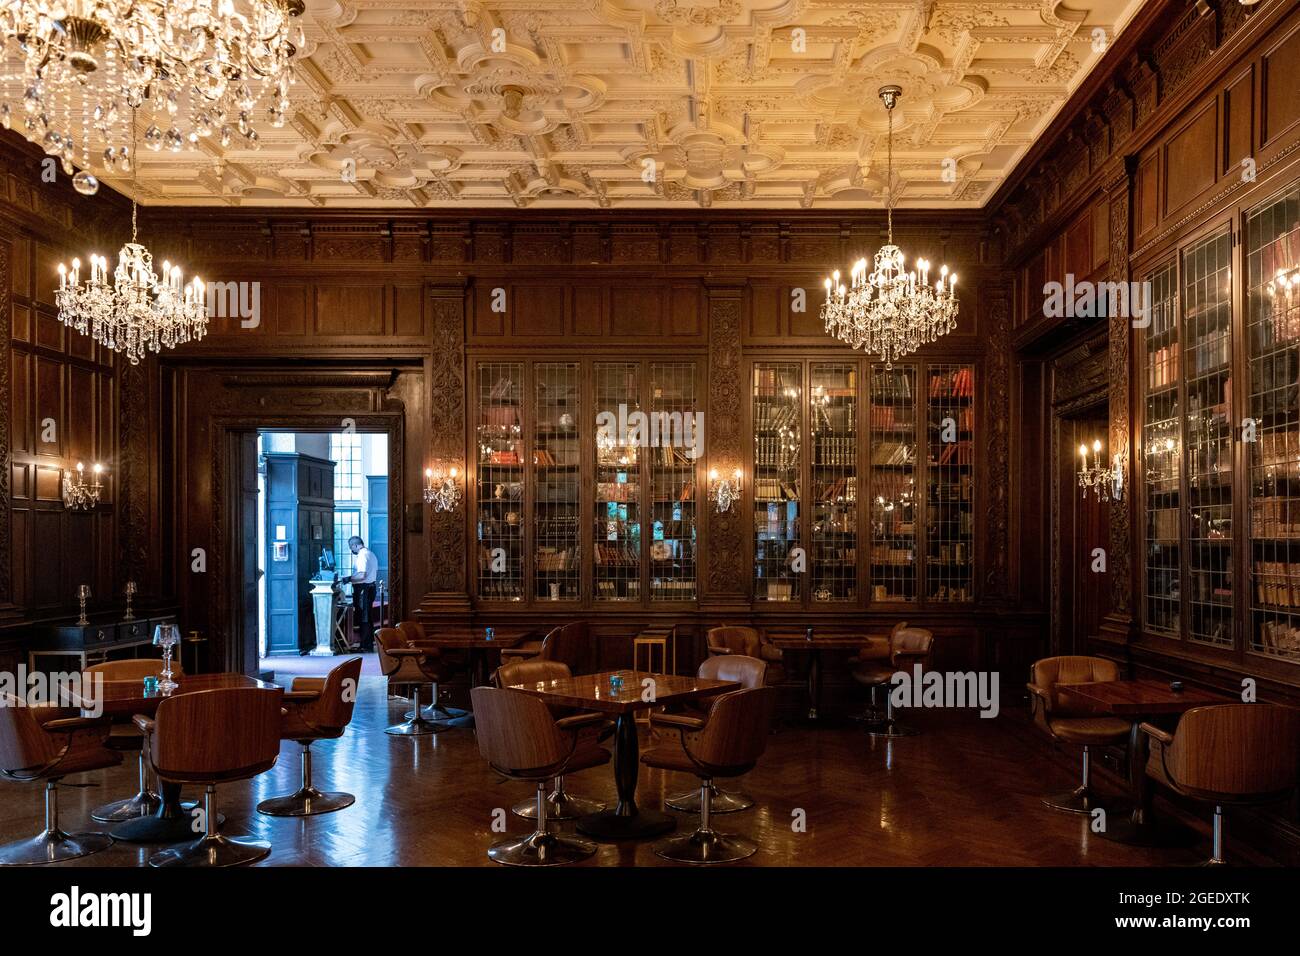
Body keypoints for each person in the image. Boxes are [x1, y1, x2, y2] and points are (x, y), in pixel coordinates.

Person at [348, 535, 378, 652]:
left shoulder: (362, 556)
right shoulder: (370, 554)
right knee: (367, 617)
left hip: (363, 590)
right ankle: (367, 643)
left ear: (355, 545)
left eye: (351, 547)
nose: (351, 550)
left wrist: (348, 579)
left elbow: (361, 575)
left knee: (364, 618)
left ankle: (365, 645)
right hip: (370, 588)